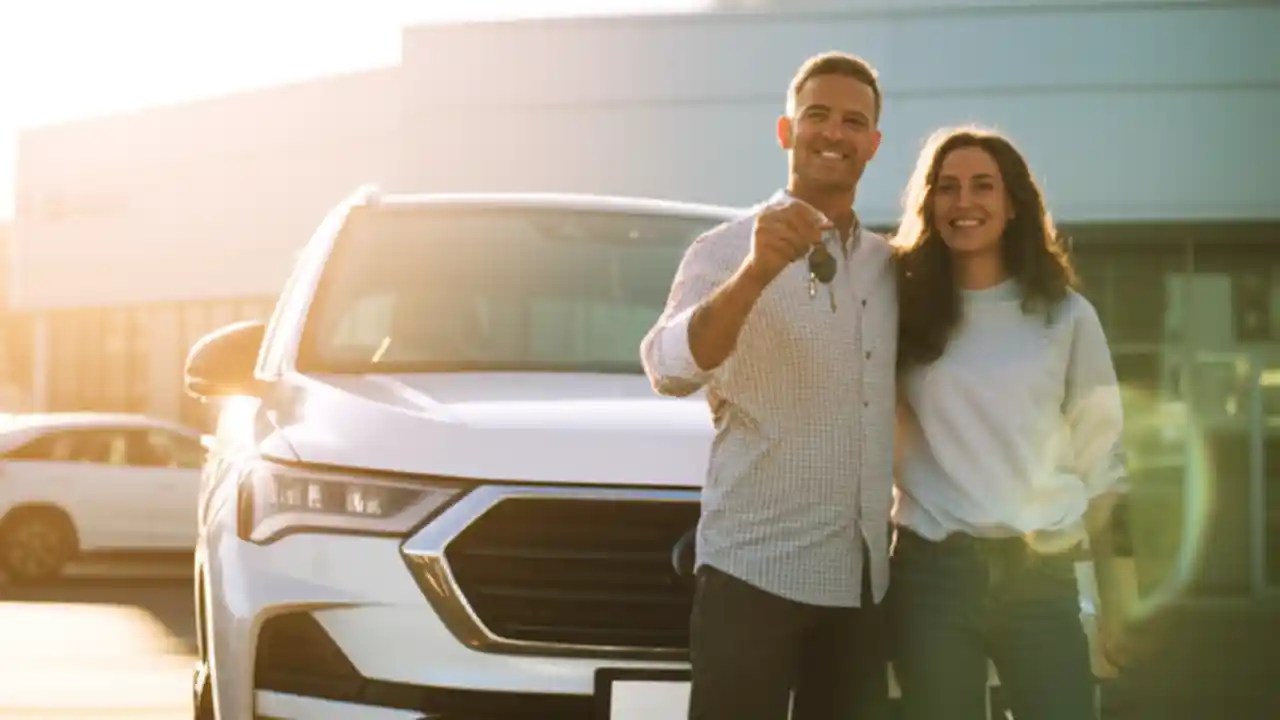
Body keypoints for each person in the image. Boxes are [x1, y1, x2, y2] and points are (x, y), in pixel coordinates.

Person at [641, 51, 896, 720]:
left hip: (862, 584)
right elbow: (666, 367)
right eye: (817, 115)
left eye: (853, 121)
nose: (833, 133)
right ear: (786, 131)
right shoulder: (723, 250)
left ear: (873, 143)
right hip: (753, 575)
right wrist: (756, 272)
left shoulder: (892, 268)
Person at [889, 125, 1132, 720]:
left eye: (982, 186)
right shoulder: (902, 309)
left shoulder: (1066, 316)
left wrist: (1120, 602)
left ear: (1013, 203)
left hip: (1041, 579)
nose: (964, 202)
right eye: (947, 188)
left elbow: (1106, 465)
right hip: (933, 576)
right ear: (930, 205)